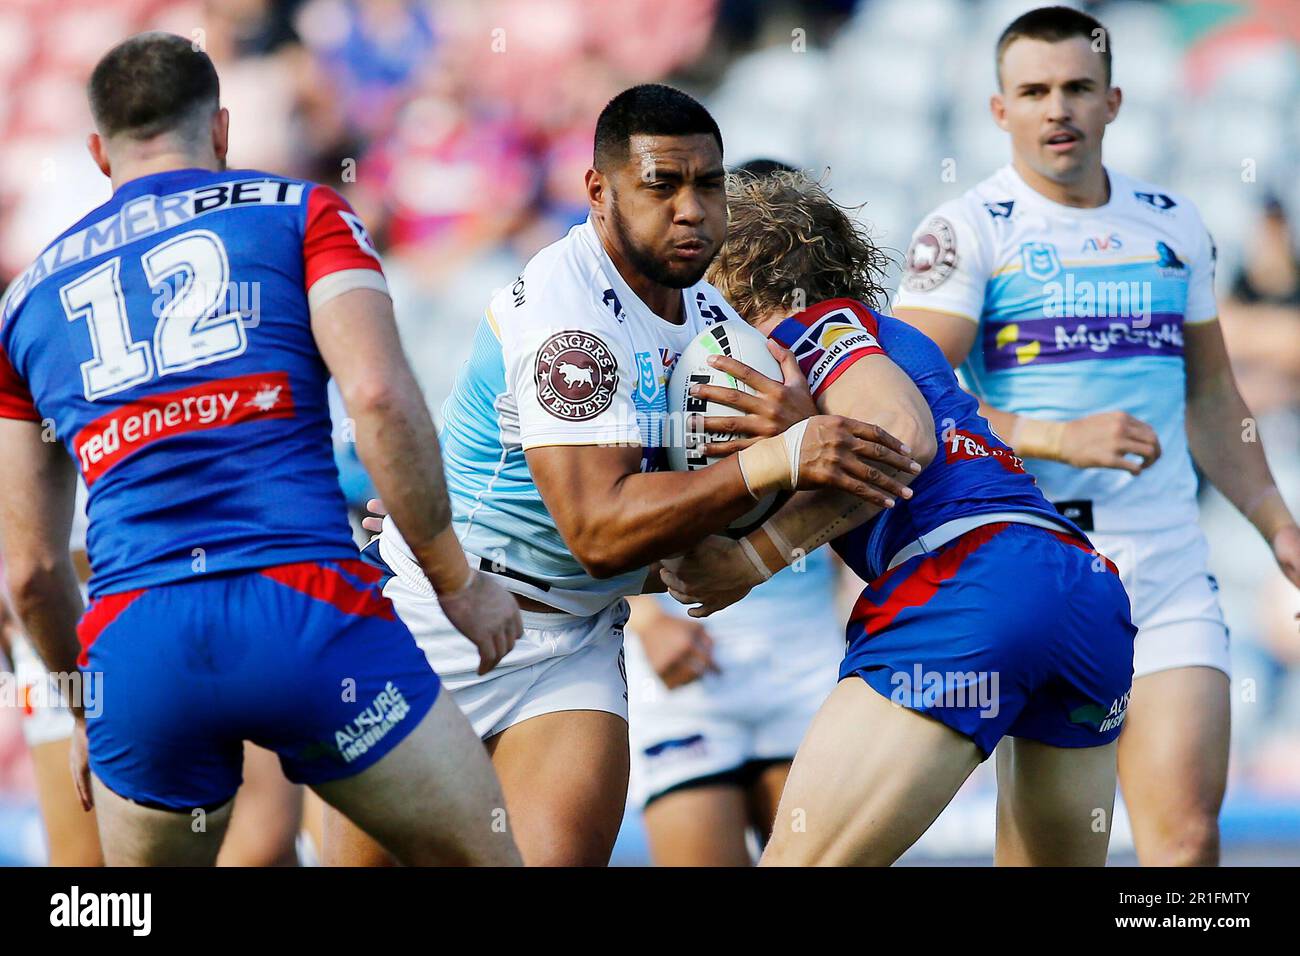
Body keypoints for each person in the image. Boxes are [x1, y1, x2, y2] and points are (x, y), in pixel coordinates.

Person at [328, 84, 918, 866]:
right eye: (661, 185)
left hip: (572, 638)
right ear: (599, 191)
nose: (691, 210)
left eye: (708, 185)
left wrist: (788, 440)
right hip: (439, 618)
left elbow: (734, 498)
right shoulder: (567, 314)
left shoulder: (712, 320)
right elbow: (599, 533)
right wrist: (776, 460)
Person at [0, 32, 522, 867]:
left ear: (99, 153)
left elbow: (31, 570)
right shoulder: (303, 212)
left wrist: (85, 705)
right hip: (307, 608)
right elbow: (379, 397)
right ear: (221, 128)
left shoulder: (26, 301)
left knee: (126, 919)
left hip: (140, 645)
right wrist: (455, 582)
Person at [890, 6, 1300, 865]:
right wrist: (1055, 436)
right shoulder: (968, 229)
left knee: (1186, 842)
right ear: (999, 110)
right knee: (1055, 855)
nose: (1057, 108)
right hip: (1040, 568)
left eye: (1078, 87)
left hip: (1166, 564)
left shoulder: (1173, 224)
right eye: (1034, 91)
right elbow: (908, 397)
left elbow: (1213, 396)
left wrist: (1276, 524)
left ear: (1113, 101)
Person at [663, 169, 1137, 866]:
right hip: (1079, 586)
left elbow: (900, 438)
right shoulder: (886, 337)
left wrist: (753, 558)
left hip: (969, 580)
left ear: (734, 274)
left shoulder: (806, 327)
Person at [624, 157, 844, 867]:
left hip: (802, 654)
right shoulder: (657, 343)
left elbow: (873, 482)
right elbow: (606, 499)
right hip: (687, 652)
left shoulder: (830, 355)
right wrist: (645, 618)